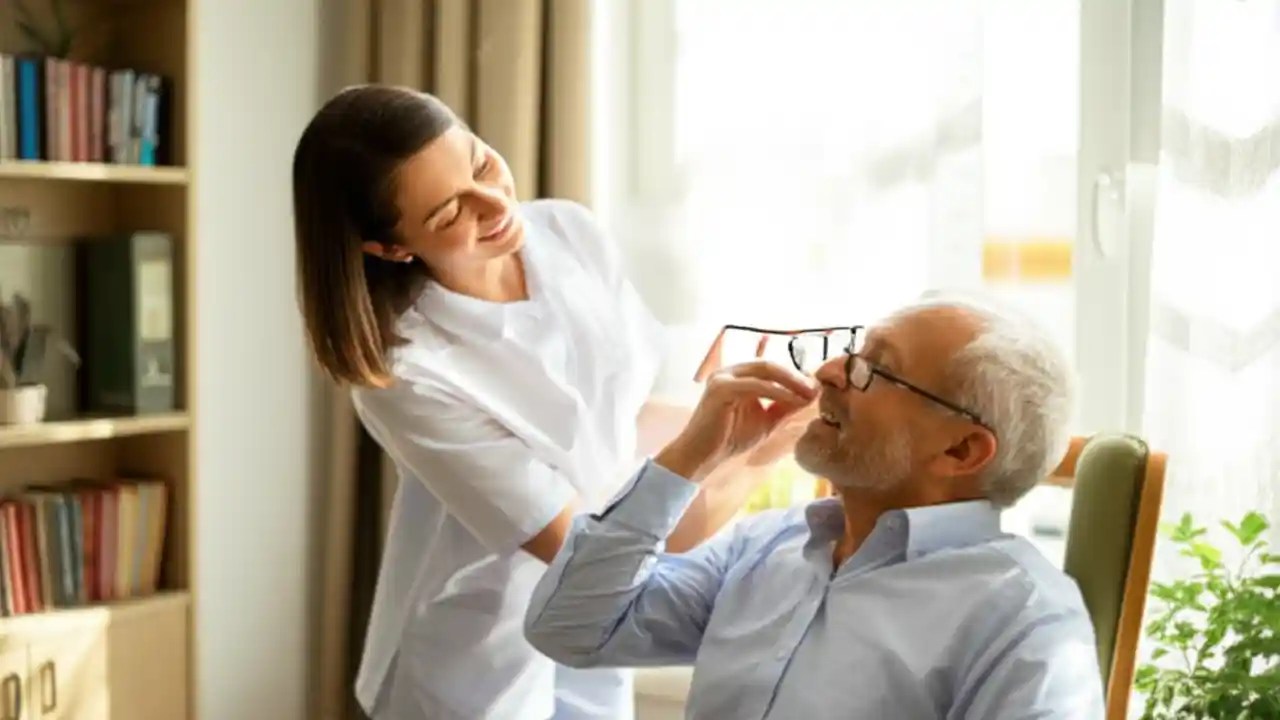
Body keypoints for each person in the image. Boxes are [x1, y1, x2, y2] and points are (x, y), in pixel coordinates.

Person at [291, 84, 813, 720]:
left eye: (481, 163)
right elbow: (593, 554)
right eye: (450, 213)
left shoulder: (565, 231)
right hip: (481, 654)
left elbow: (618, 424)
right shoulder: (408, 372)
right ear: (391, 248)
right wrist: (759, 451)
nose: (495, 205)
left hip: (593, 636)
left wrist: (748, 419)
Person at [525, 295, 1106, 719]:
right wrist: (687, 460)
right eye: (851, 351)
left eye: (873, 370)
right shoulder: (767, 546)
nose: (828, 372)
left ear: (960, 449)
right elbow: (569, 629)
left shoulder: (1025, 620)